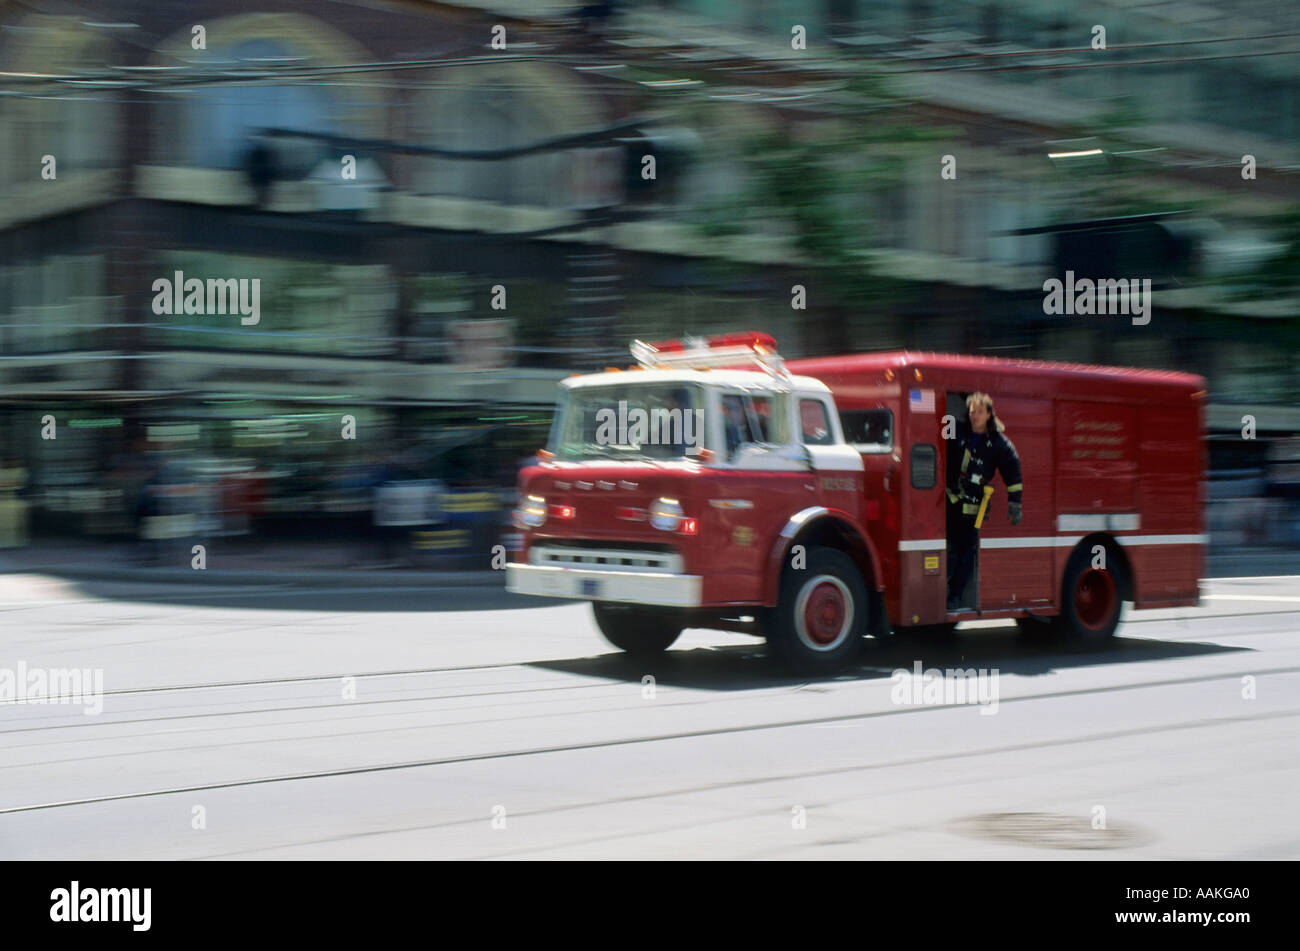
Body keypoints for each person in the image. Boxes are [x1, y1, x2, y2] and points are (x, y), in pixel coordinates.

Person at [946, 392, 1023, 612]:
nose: (975, 416)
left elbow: (1013, 470)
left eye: (979, 412)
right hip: (949, 500)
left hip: (973, 506)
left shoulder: (998, 442)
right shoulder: (958, 431)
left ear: (989, 414)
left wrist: (1015, 503)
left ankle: (955, 596)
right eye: (972, 411)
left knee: (966, 551)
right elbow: (939, 439)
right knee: (947, 546)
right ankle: (943, 589)